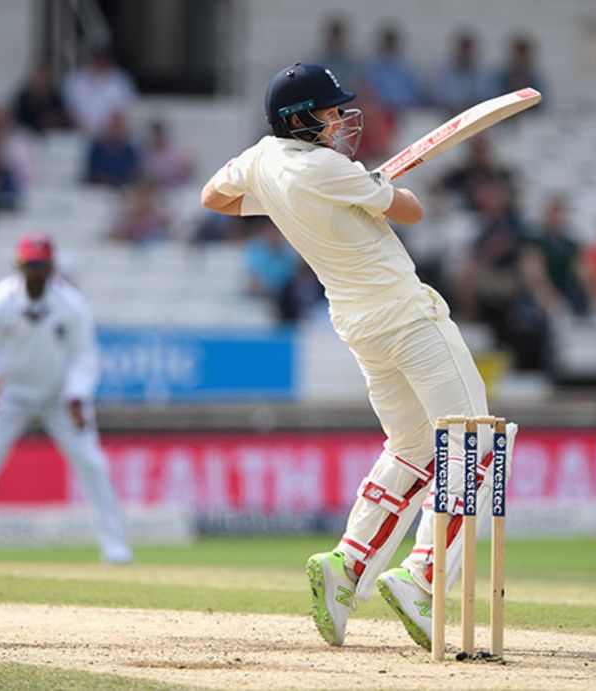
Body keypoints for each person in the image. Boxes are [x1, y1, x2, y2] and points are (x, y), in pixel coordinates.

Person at [201, 62, 500, 651]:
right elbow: (412, 211)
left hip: (359, 327)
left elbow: (213, 197)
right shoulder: (327, 167)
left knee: (414, 448)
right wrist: (365, 185)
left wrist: (281, 205)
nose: (340, 118)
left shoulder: (262, 157)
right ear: (299, 119)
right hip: (409, 318)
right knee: (476, 445)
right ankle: (424, 576)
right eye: (331, 110)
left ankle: (349, 565)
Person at [0, 234, 132, 565]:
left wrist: (77, 396)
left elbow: (84, 355)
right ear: (18, 267)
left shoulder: (71, 304)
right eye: (28, 266)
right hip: (10, 395)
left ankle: (116, 549)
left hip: (60, 396)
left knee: (92, 463)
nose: (33, 273)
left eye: (40, 266)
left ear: (51, 269)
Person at [63, 44, 137, 137]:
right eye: (97, 57)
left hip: (112, 137)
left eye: (103, 57)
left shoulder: (121, 80)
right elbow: (69, 110)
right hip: (80, 135)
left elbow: (126, 111)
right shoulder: (75, 80)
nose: (100, 61)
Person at [431, 30, 498, 114]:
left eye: (468, 49)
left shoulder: (485, 73)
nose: (465, 53)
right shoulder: (444, 72)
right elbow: (439, 97)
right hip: (450, 114)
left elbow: (489, 96)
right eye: (463, 49)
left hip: (478, 114)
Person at [14, 64, 70, 134]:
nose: (42, 81)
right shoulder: (25, 97)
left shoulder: (55, 96)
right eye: (40, 78)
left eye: (45, 79)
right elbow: (21, 120)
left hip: (51, 134)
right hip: (28, 134)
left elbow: (62, 117)